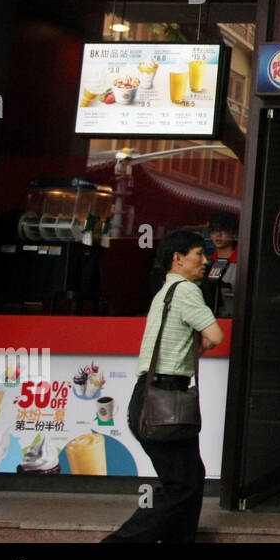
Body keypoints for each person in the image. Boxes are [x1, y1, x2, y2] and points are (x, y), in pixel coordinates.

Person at [103, 230, 224, 543]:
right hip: (164, 399)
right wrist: (201, 342)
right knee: (181, 484)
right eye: (199, 253)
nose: (205, 261)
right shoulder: (186, 290)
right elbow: (215, 335)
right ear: (178, 258)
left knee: (190, 476)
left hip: (152, 397)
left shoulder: (165, 292)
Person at [206, 210, 239, 317]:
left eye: (223, 231)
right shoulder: (210, 261)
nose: (218, 235)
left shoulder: (241, 261)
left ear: (234, 233)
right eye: (214, 231)